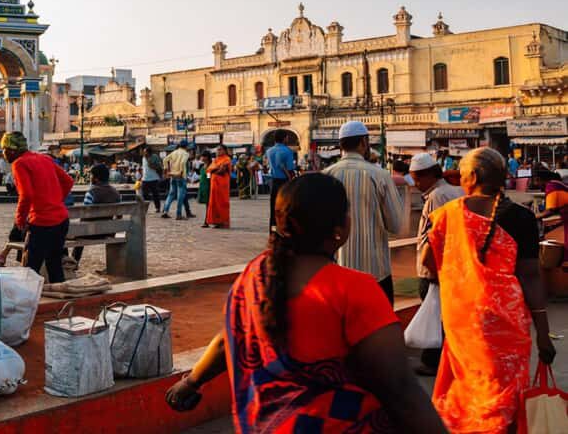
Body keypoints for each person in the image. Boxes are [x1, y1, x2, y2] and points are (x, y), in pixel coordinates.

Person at [166, 173, 445, 433]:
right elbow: (400, 390)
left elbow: (228, 340)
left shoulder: (254, 274)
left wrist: (190, 383)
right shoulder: (355, 289)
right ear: (341, 226)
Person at [422, 147, 555, 433]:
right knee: (503, 400)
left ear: (473, 176)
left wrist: (462, 275)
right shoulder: (521, 217)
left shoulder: (447, 215)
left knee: (466, 395)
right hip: (507, 327)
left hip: (463, 323)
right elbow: (531, 276)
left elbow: (428, 261)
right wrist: (543, 334)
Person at [324, 121, 403, 305]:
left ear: (341, 145)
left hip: (338, 270)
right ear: (363, 143)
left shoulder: (326, 175)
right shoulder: (380, 175)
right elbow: (396, 225)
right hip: (375, 272)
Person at [408, 152, 464, 376]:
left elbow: (435, 237)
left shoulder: (437, 196)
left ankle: (433, 362)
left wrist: (432, 268)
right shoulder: (453, 191)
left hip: (436, 267)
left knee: (437, 316)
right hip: (450, 265)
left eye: (418, 179)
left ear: (430, 175)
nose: (417, 184)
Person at [2, 131, 74, 283]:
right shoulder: (44, 158)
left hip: (42, 223)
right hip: (61, 220)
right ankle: (59, 302)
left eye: (5, 150)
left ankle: (28, 302)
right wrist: (56, 200)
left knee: (30, 269)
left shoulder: (19, 163)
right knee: (54, 265)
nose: (4, 154)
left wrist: (20, 220)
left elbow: (26, 195)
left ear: (13, 150)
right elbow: (68, 181)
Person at [71, 163, 121, 263]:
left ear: (96, 178)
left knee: (70, 231)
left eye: (92, 175)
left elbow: (85, 215)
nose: (90, 177)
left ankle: (73, 261)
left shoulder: (91, 192)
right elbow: (119, 216)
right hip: (109, 232)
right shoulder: (116, 193)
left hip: (89, 233)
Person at [267, 131, 296, 229]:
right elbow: (290, 169)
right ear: (284, 138)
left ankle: (273, 230)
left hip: (273, 181)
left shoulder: (269, 151)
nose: (287, 139)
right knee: (286, 208)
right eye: (287, 137)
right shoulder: (287, 151)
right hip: (284, 182)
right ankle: (284, 229)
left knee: (274, 208)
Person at [162, 143, 192, 220]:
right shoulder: (185, 153)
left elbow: (165, 160)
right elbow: (182, 162)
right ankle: (178, 214)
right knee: (180, 196)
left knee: (171, 194)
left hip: (172, 175)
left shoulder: (174, 152)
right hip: (180, 176)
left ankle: (165, 211)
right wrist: (181, 172)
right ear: (186, 147)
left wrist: (166, 170)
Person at [204, 145, 231, 229]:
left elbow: (221, 171)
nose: (218, 151)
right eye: (217, 150)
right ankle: (216, 222)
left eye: (220, 150)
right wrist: (210, 175)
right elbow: (207, 172)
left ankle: (223, 222)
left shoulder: (227, 159)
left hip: (222, 184)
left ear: (225, 151)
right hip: (213, 184)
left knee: (222, 202)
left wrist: (213, 170)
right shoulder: (215, 160)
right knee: (214, 203)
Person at [140, 146, 163, 215]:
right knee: (144, 195)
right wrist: (141, 176)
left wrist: (153, 166)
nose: (144, 153)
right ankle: (145, 209)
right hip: (145, 179)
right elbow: (144, 168)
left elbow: (159, 165)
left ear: (149, 152)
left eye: (145, 151)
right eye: (144, 152)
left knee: (155, 194)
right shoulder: (143, 158)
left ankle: (157, 208)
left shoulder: (155, 156)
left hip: (154, 178)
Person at [196, 151, 212, 222]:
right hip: (203, 187)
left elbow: (209, 178)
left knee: (209, 205)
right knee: (207, 205)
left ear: (207, 157)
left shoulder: (210, 166)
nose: (202, 158)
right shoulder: (202, 166)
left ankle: (207, 220)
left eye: (203, 156)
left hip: (208, 187)